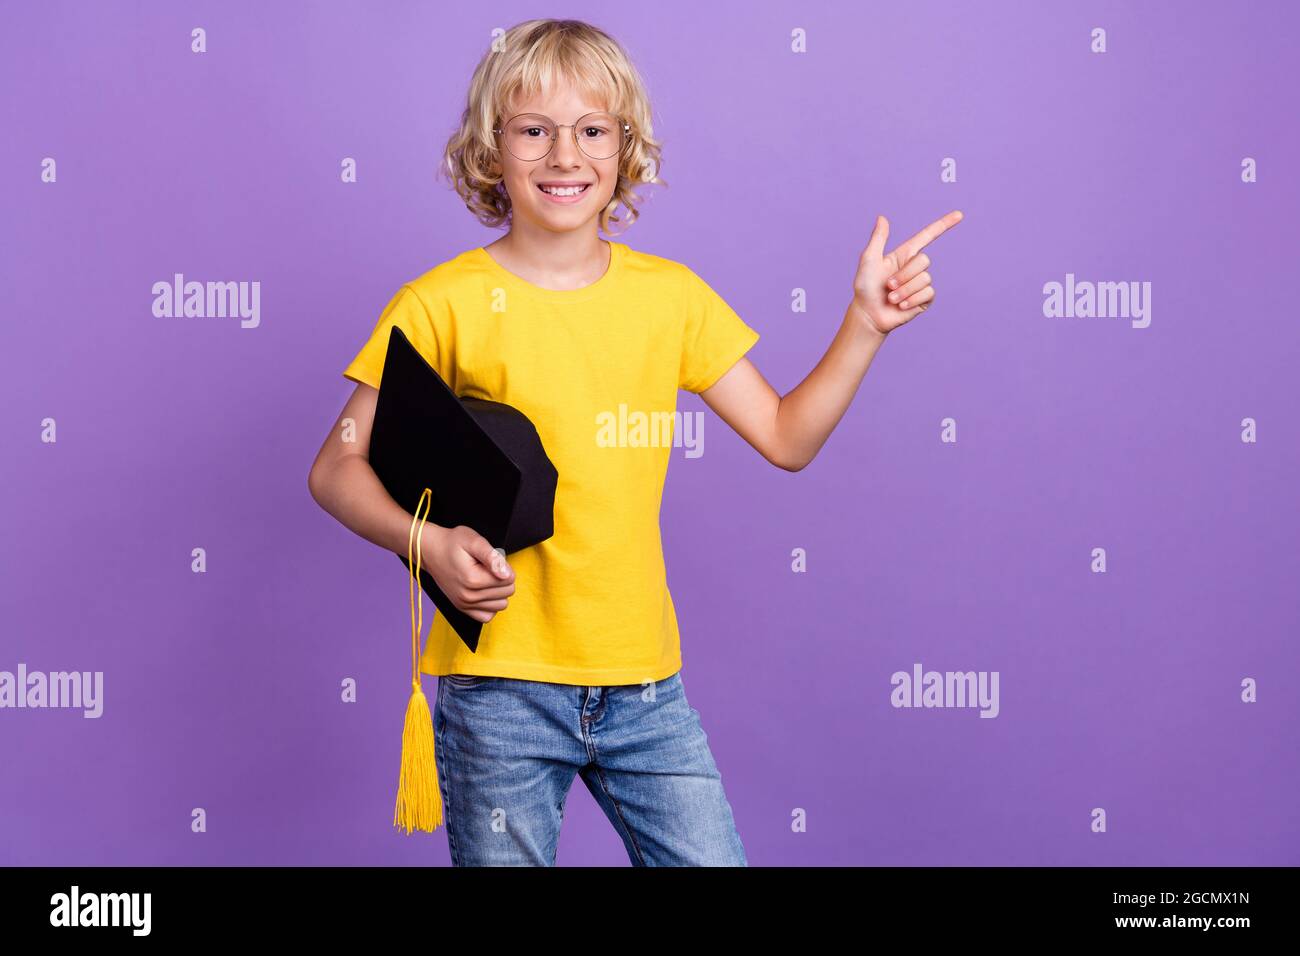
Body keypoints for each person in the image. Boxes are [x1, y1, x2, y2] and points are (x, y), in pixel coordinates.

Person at [307, 17, 962, 866]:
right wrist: (425, 543)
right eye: (533, 130)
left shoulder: (671, 301)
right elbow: (335, 468)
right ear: (490, 147)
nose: (563, 155)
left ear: (625, 147)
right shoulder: (442, 304)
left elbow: (787, 437)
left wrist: (864, 326)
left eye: (591, 130)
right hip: (500, 689)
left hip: (646, 690)